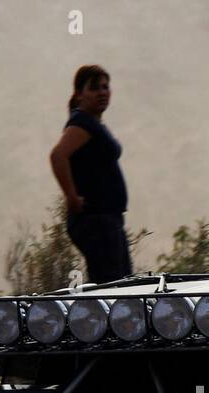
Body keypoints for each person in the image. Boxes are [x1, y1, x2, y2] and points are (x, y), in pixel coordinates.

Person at [50, 65, 131, 284]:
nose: (102, 92)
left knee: (121, 283)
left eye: (105, 87)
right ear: (79, 94)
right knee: (112, 285)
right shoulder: (82, 123)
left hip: (107, 219)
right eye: (94, 88)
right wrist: (71, 197)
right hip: (97, 220)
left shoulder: (92, 123)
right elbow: (58, 156)